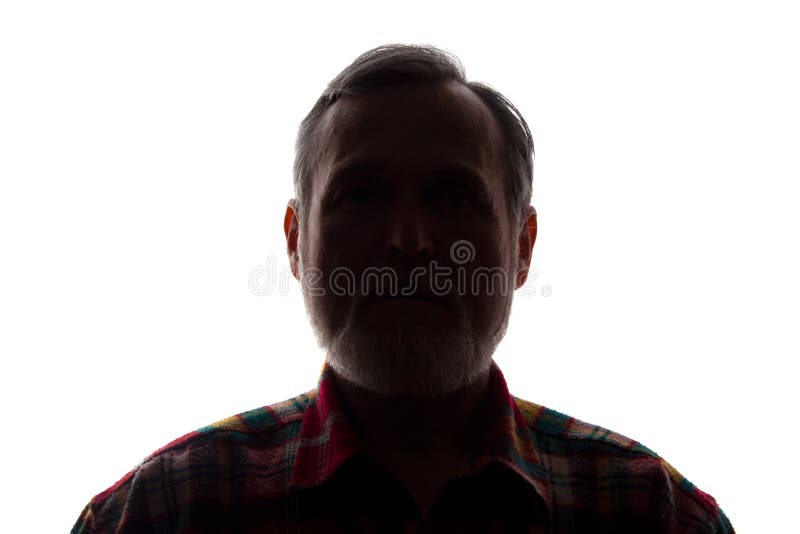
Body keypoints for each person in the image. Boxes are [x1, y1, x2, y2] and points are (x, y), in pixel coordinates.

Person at [72, 44, 734, 533]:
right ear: (296, 243)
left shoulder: (653, 516)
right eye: (362, 194)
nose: (409, 239)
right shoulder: (162, 514)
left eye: (452, 196)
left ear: (523, 247)